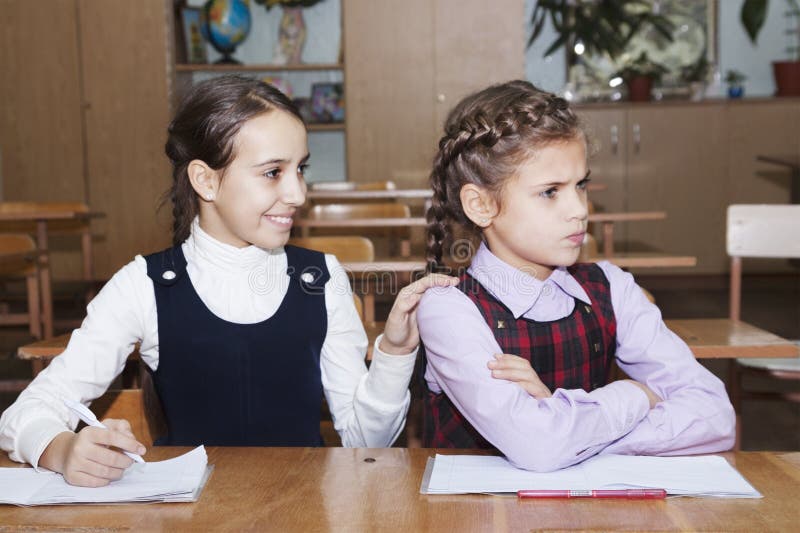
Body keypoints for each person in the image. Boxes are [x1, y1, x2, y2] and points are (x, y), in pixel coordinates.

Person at [0, 75, 456, 487]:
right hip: (190, 516)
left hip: (305, 511)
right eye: (273, 172)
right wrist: (61, 450)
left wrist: (395, 353)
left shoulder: (321, 277)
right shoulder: (143, 285)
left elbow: (366, 438)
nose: (297, 193)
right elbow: (25, 413)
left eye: (301, 169)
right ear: (206, 180)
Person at [418, 80, 735, 472]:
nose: (580, 210)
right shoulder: (449, 309)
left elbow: (717, 416)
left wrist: (563, 420)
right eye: (551, 191)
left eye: (580, 185)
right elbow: (539, 447)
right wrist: (635, 396)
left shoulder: (611, 286)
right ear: (481, 205)